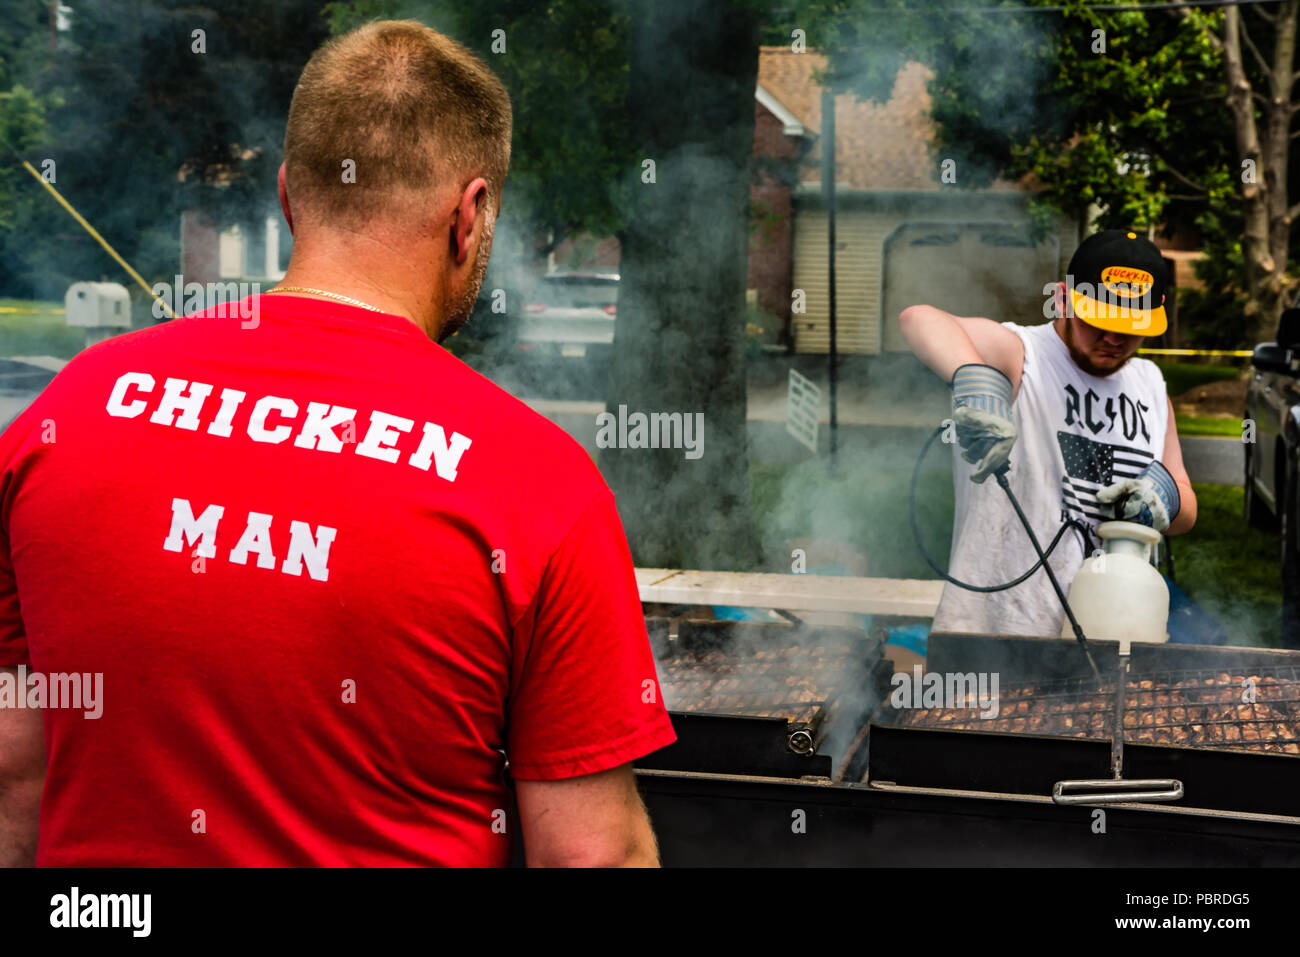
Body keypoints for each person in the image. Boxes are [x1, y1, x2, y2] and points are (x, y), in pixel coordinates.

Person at [0, 20, 675, 867]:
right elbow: (594, 856)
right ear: (469, 216)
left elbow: (13, 778)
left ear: (288, 195)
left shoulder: (69, 410)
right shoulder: (539, 485)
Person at [900, 229, 1198, 637]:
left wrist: (1165, 495)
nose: (1113, 339)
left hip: (1109, 638)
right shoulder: (1023, 354)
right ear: (1063, 298)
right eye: (1099, 321)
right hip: (997, 631)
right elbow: (920, 319)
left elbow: (1185, 507)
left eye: (1130, 328)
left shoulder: (1150, 386)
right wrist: (974, 378)